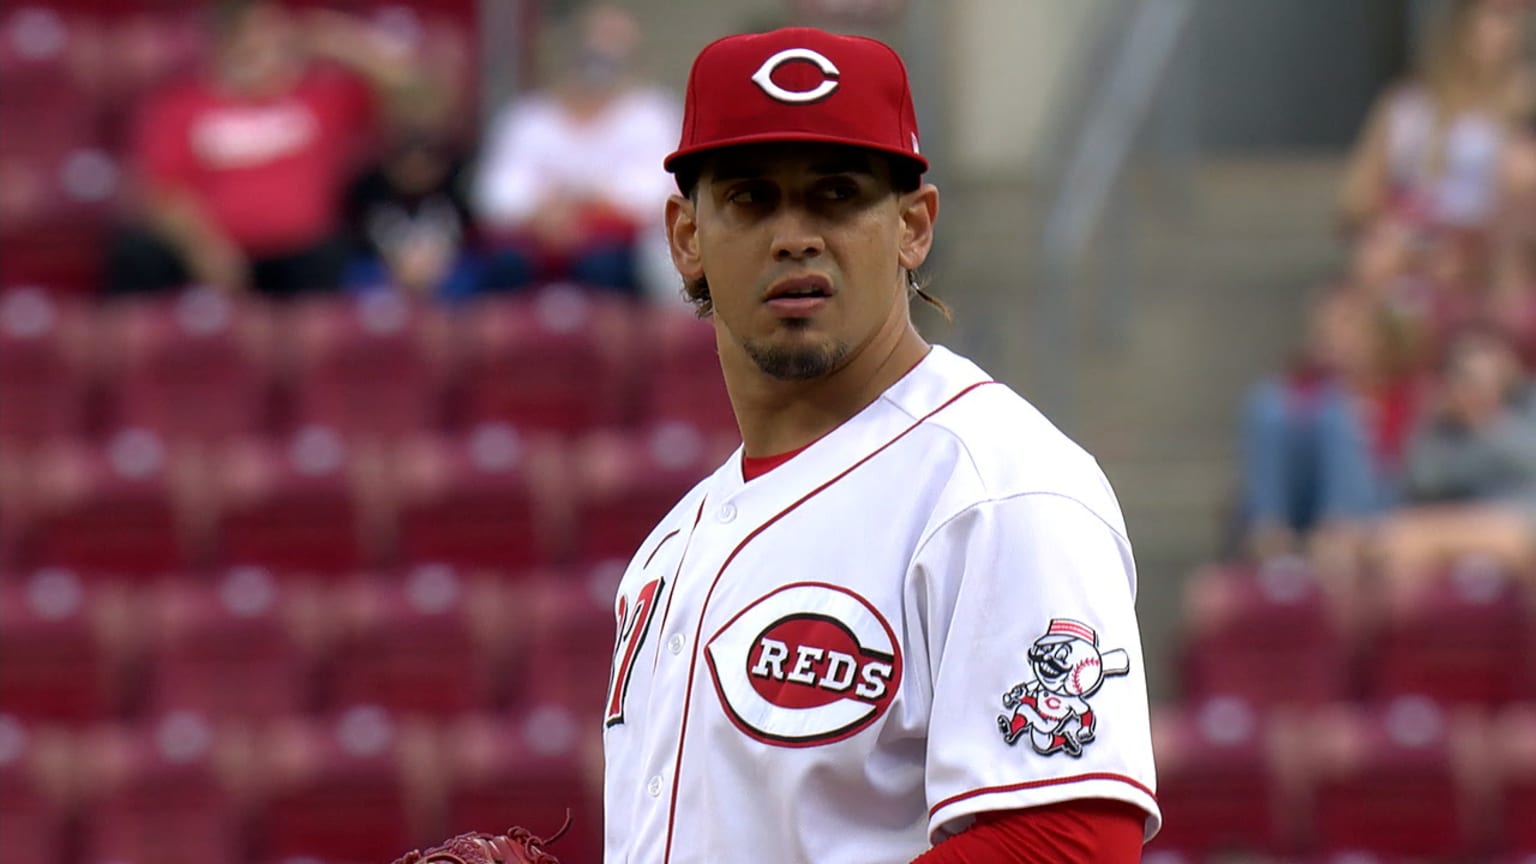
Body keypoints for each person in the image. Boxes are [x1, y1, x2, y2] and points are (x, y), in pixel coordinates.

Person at [599, 27, 1158, 864]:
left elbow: (1066, 842)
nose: (795, 235)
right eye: (751, 198)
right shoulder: (671, 544)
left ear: (913, 226)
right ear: (686, 238)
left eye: (837, 195)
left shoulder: (998, 488)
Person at [106, 0, 420, 299]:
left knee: (333, 257)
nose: (264, 46)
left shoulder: (319, 97)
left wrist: (348, 44)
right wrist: (204, 247)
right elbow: (163, 192)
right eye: (249, 37)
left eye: (270, 33)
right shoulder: (179, 107)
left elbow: (421, 99)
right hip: (214, 250)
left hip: (301, 254)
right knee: (137, 253)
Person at [471, 4, 680, 299]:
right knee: (503, 265)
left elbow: (659, 191)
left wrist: (589, 208)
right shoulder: (526, 119)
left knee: (615, 264)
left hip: (619, 256)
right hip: (532, 251)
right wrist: (541, 212)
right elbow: (494, 193)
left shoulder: (651, 114)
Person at [1339, 0, 1534, 235]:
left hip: (1493, 252)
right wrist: (1404, 221)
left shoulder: (1525, 107)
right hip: (1417, 250)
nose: (1513, 31)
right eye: (1500, 17)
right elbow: (1355, 202)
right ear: (1459, 26)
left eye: (1517, 20)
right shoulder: (1407, 108)